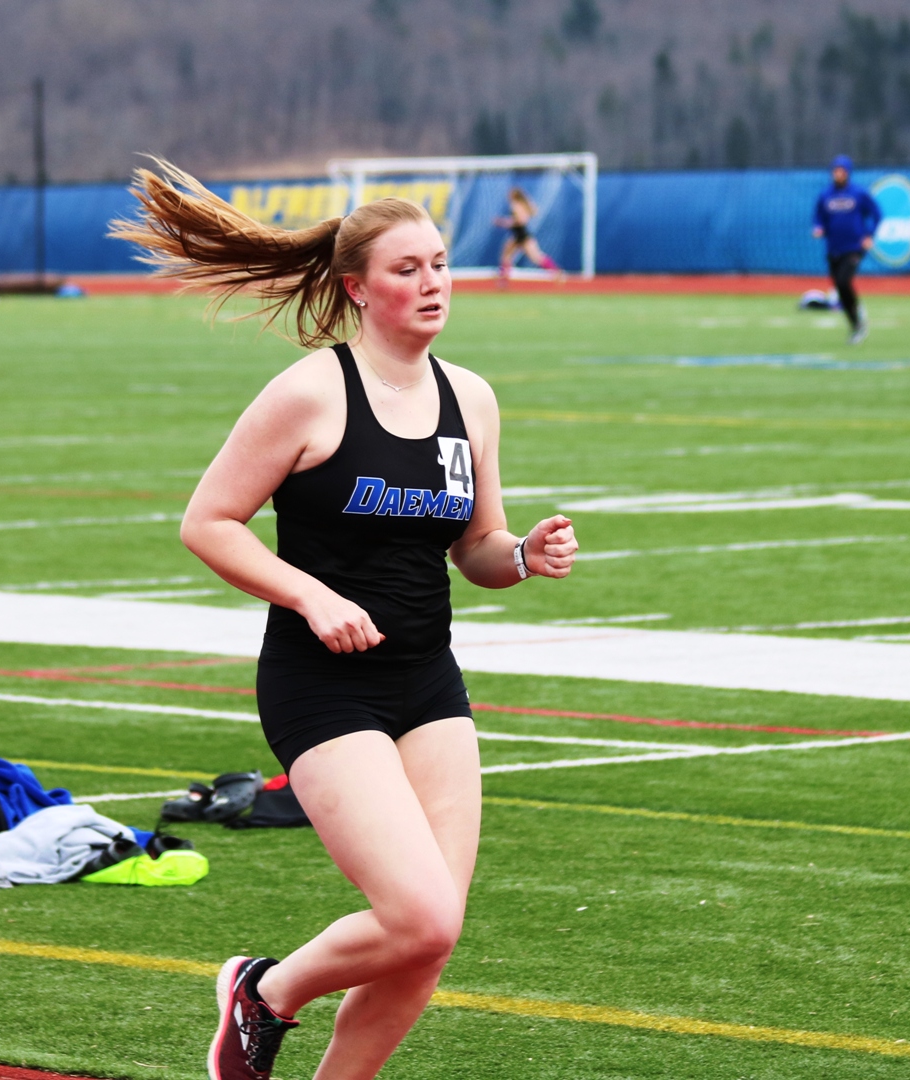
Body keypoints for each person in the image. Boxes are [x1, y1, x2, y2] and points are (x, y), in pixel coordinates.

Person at [111, 162, 579, 1080]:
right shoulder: (312, 392)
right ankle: (264, 992)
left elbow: (477, 548)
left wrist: (524, 554)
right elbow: (208, 522)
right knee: (421, 914)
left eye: (440, 264)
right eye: (407, 269)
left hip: (428, 684)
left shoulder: (471, 398)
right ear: (358, 288)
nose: (433, 283)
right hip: (323, 687)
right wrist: (312, 596)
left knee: (428, 941)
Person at [812, 153, 880, 345]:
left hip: (854, 247)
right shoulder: (825, 195)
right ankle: (856, 323)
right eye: (835, 171)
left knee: (843, 281)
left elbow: (877, 214)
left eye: (841, 171)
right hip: (834, 248)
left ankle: (857, 318)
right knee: (840, 287)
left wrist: (869, 235)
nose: (838, 174)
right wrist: (818, 227)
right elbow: (818, 217)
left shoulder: (858, 193)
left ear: (848, 173)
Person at [494, 187, 562, 286]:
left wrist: (502, 222)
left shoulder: (516, 205)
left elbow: (520, 221)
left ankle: (556, 273)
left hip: (523, 236)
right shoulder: (520, 204)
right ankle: (503, 280)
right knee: (506, 256)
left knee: (536, 257)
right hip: (517, 236)